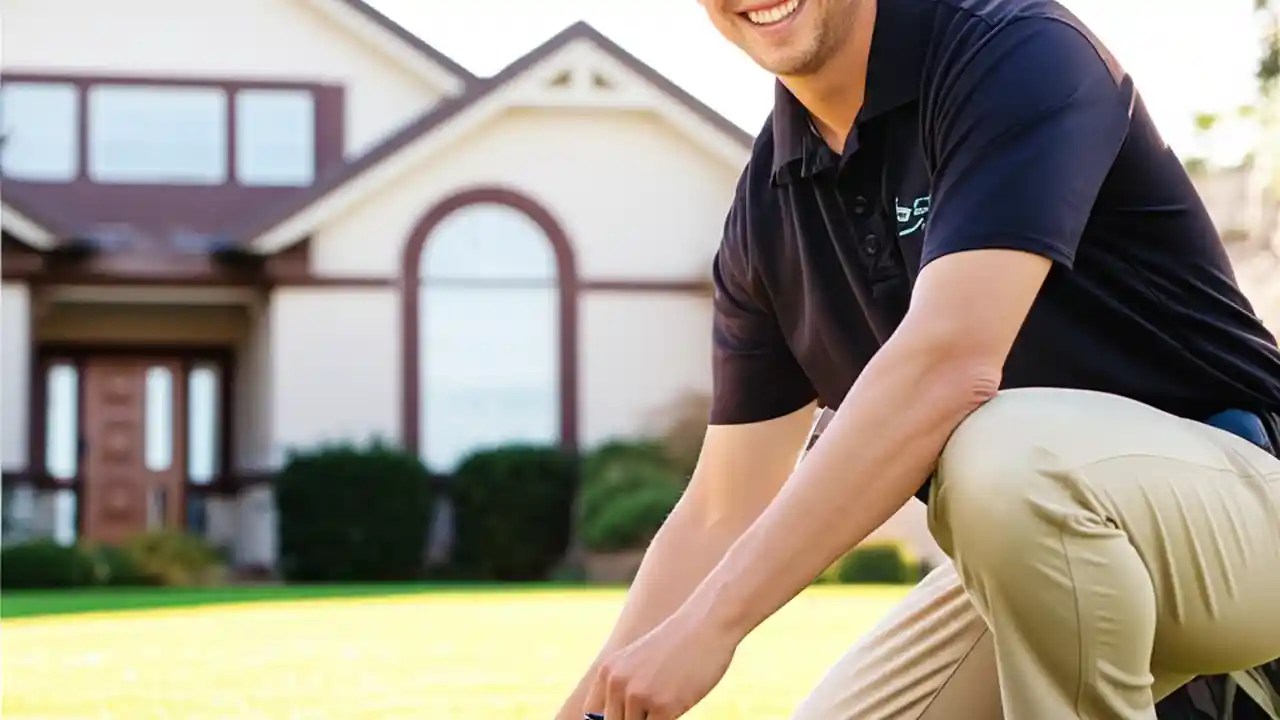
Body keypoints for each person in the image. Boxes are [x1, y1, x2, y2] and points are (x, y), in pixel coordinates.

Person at [555, 0, 1280, 717]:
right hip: (1043, 552)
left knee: (1001, 448)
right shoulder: (772, 206)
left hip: (1247, 506)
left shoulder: (1014, 50)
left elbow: (949, 364)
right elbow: (721, 508)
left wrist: (711, 626)